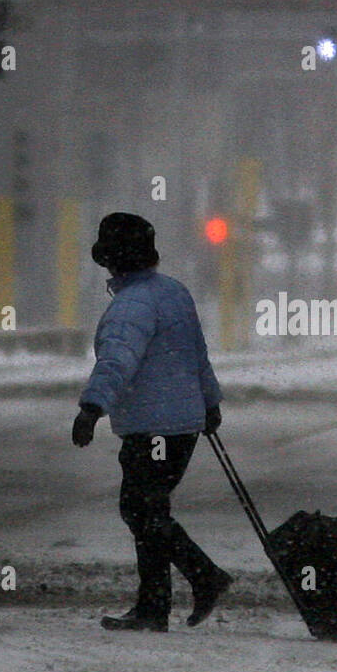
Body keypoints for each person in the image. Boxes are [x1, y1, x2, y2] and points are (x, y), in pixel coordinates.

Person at [72, 212, 232, 633]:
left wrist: (92, 408)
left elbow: (117, 362)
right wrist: (209, 403)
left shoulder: (131, 307)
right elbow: (196, 355)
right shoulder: (174, 293)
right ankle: (154, 606)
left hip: (153, 428)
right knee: (150, 510)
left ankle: (202, 578)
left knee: (141, 511)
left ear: (112, 259)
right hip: (182, 427)